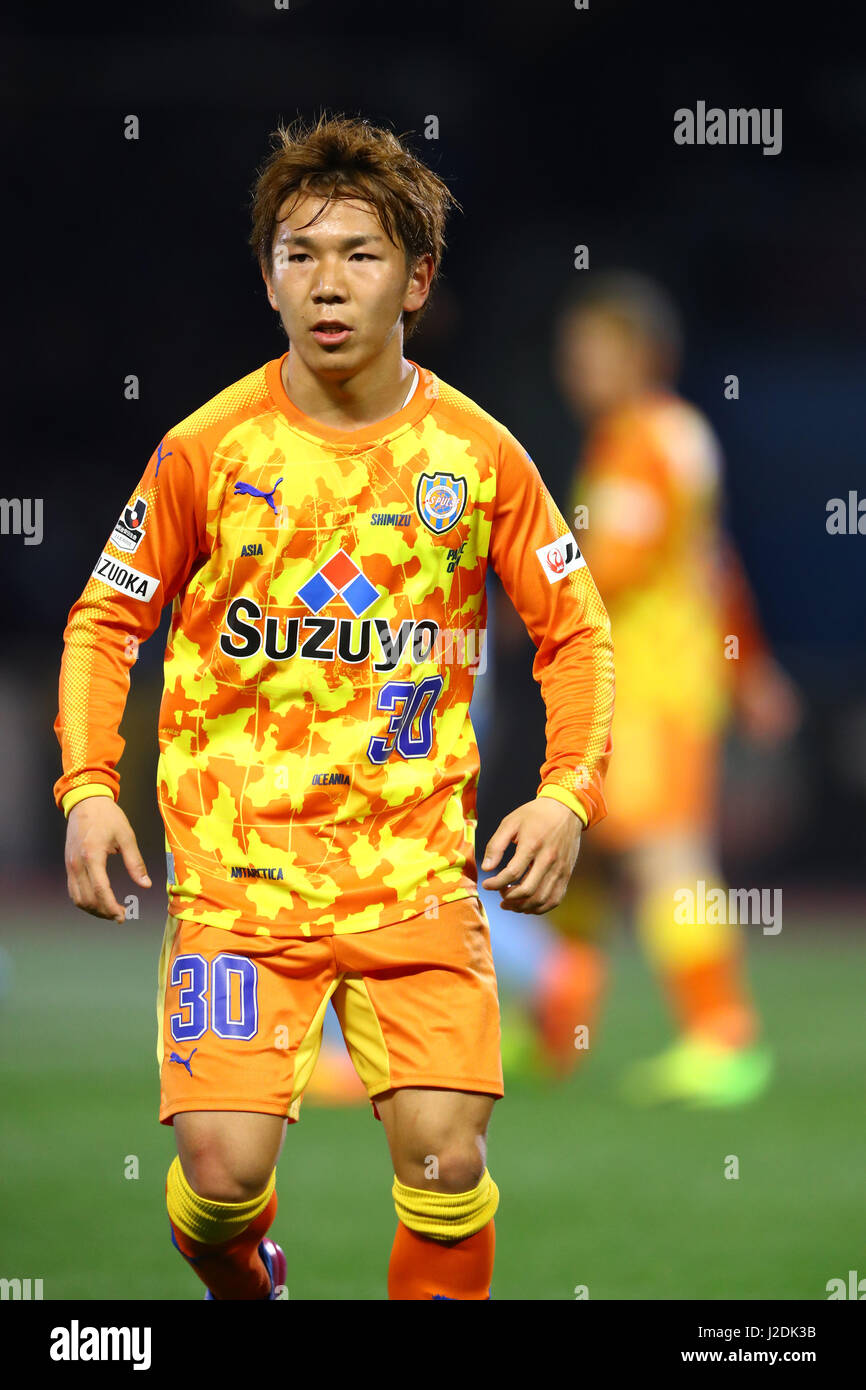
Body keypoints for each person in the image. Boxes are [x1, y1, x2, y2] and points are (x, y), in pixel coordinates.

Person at [53, 113, 614, 1300]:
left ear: (415, 279)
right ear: (265, 279)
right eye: (299, 254)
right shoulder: (205, 450)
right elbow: (106, 623)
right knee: (216, 1174)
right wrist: (89, 790)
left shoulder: (478, 457)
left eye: (359, 254)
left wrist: (565, 795)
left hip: (413, 873)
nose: (328, 282)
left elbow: (576, 631)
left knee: (445, 1160)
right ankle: (252, 1274)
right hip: (238, 881)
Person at [508, 271, 799, 1106]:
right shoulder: (671, 435)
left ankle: (724, 1037)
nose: (579, 367)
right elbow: (716, 563)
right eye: (575, 352)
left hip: (651, 685)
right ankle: (557, 1035)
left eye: (596, 350)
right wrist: (751, 670)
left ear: (645, 354)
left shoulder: (641, 440)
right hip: (643, 681)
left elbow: (617, 567)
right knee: (587, 857)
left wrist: (517, 587)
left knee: (667, 847)